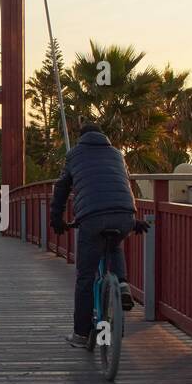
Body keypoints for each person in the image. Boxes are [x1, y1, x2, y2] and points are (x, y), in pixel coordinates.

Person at [50, 123, 136, 348]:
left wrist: (56, 219)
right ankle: (123, 285)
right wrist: (132, 219)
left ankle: (81, 334)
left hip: (93, 217)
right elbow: (124, 185)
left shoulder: (74, 155)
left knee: (85, 277)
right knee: (114, 244)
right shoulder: (117, 154)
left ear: (81, 138)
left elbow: (61, 189)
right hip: (125, 213)